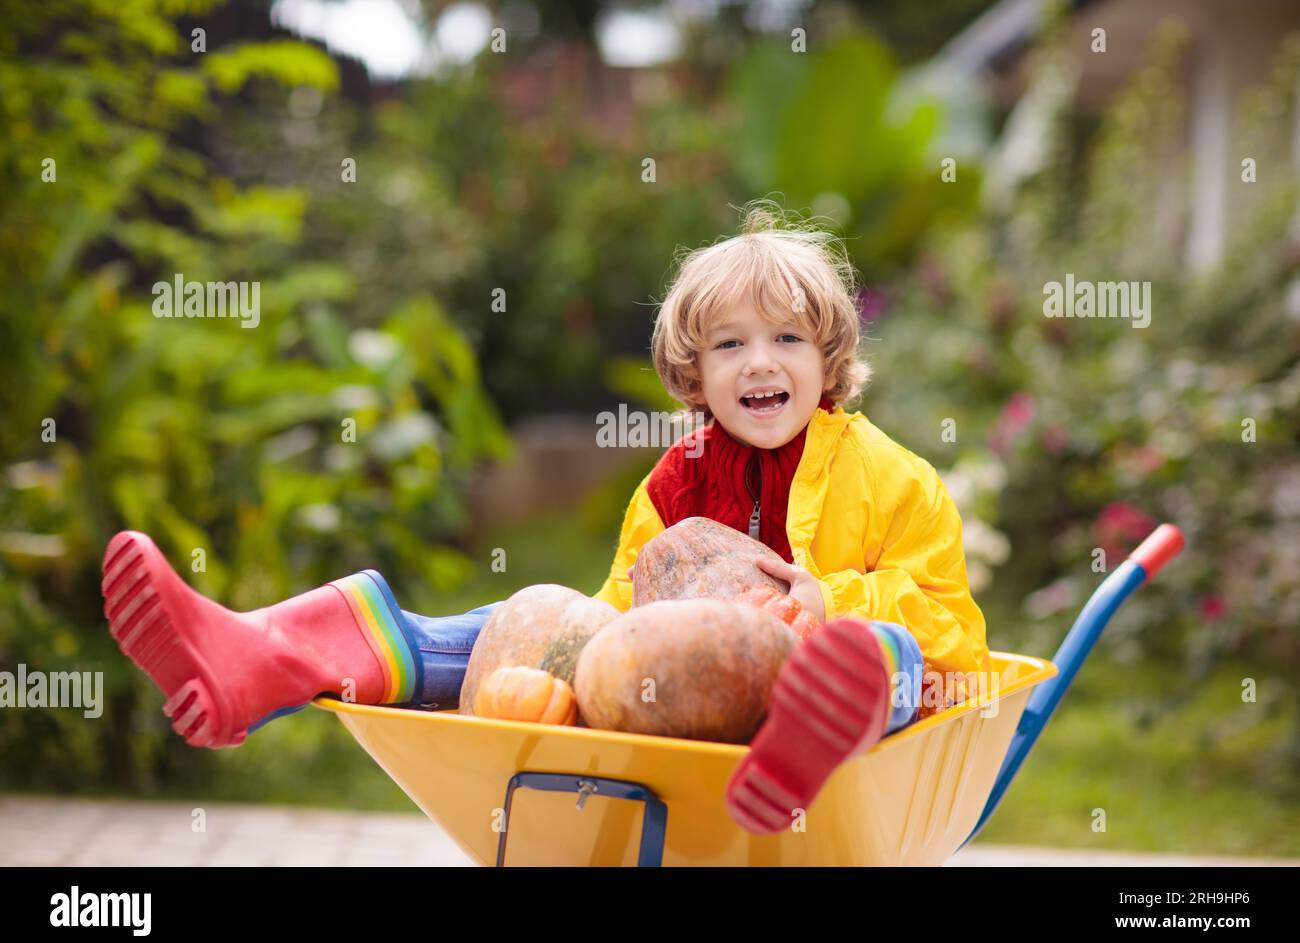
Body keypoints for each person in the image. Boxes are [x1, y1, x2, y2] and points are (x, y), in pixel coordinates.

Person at [100, 201, 987, 836]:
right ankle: (268, 657)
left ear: (829, 358)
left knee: (882, 656)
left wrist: (831, 601)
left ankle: (814, 724)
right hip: (704, 711)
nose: (762, 363)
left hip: (860, 704)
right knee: (544, 616)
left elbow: (958, 626)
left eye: (788, 339)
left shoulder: (890, 478)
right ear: (694, 372)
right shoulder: (673, 486)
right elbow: (613, 628)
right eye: (731, 344)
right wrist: (560, 672)